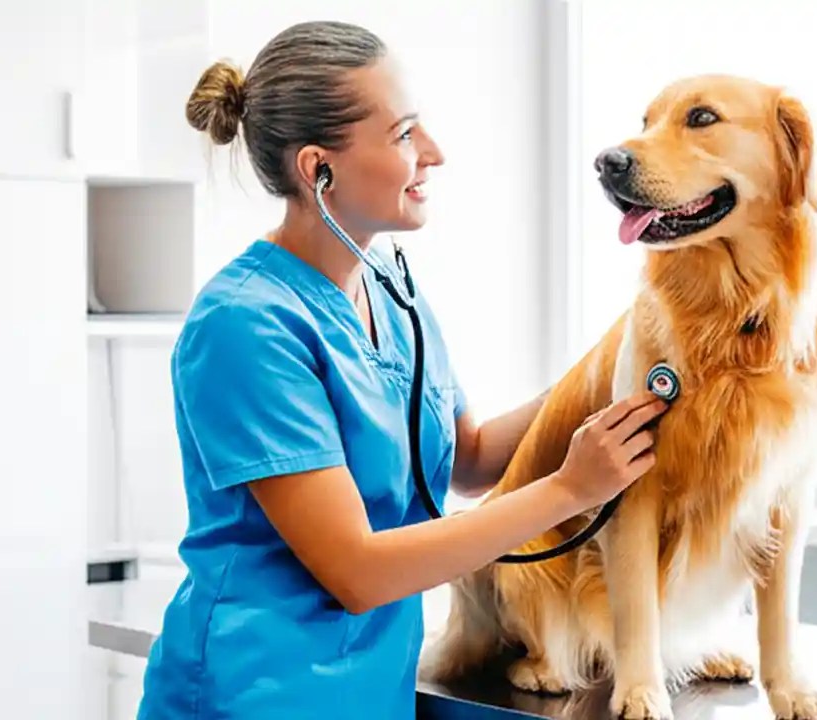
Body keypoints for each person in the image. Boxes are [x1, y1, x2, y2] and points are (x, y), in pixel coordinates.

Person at [136, 20, 667, 720]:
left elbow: (466, 459)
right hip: (252, 695)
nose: (434, 154)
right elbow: (358, 570)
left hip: (370, 696)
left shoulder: (393, 292)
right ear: (317, 168)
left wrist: (607, 370)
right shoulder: (245, 325)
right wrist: (571, 487)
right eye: (404, 134)